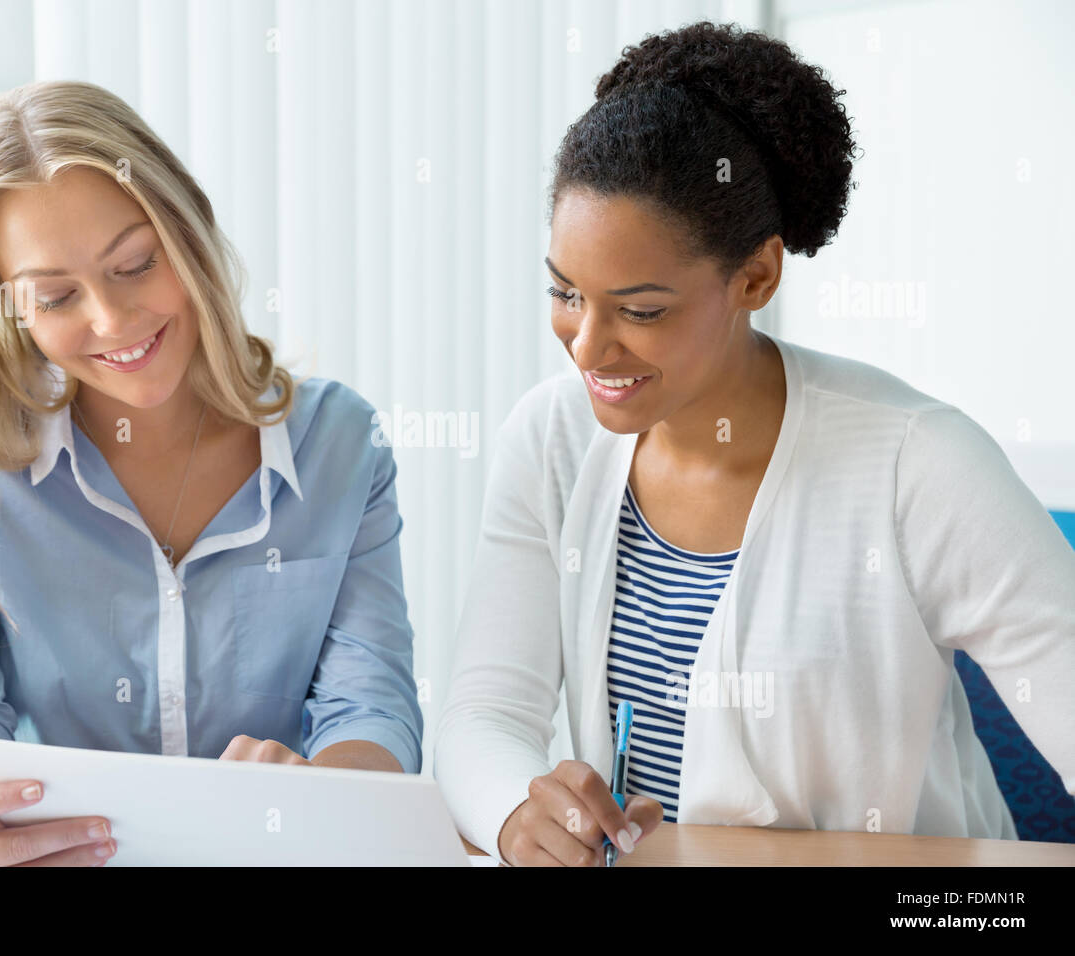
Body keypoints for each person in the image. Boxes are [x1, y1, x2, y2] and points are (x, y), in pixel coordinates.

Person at [434, 20, 1075, 866]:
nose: (587, 347)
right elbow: (485, 713)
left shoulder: (920, 464)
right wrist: (521, 812)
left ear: (757, 277)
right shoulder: (550, 441)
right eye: (564, 292)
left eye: (641, 310)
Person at [0, 80, 422, 867]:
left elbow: (375, 710)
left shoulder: (339, 443)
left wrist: (320, 801)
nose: (112, 320)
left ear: (185, 232)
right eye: (55, 296)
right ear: (6, 307)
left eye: (135, 263)